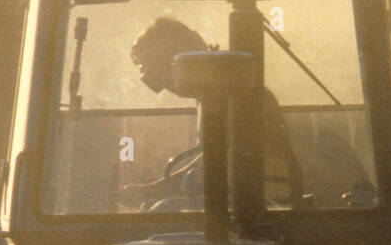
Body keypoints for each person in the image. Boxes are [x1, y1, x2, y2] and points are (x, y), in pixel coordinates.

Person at [119, 17, 303, 210]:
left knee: (160, 211)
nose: (162, 86)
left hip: (268, 205)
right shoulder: (217, 91)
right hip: (246, 199)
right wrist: (153, 189)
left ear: (179, 63)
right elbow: (212, 159)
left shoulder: (232, 94)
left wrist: (153, 191)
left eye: (157, 73)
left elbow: (216, 165)